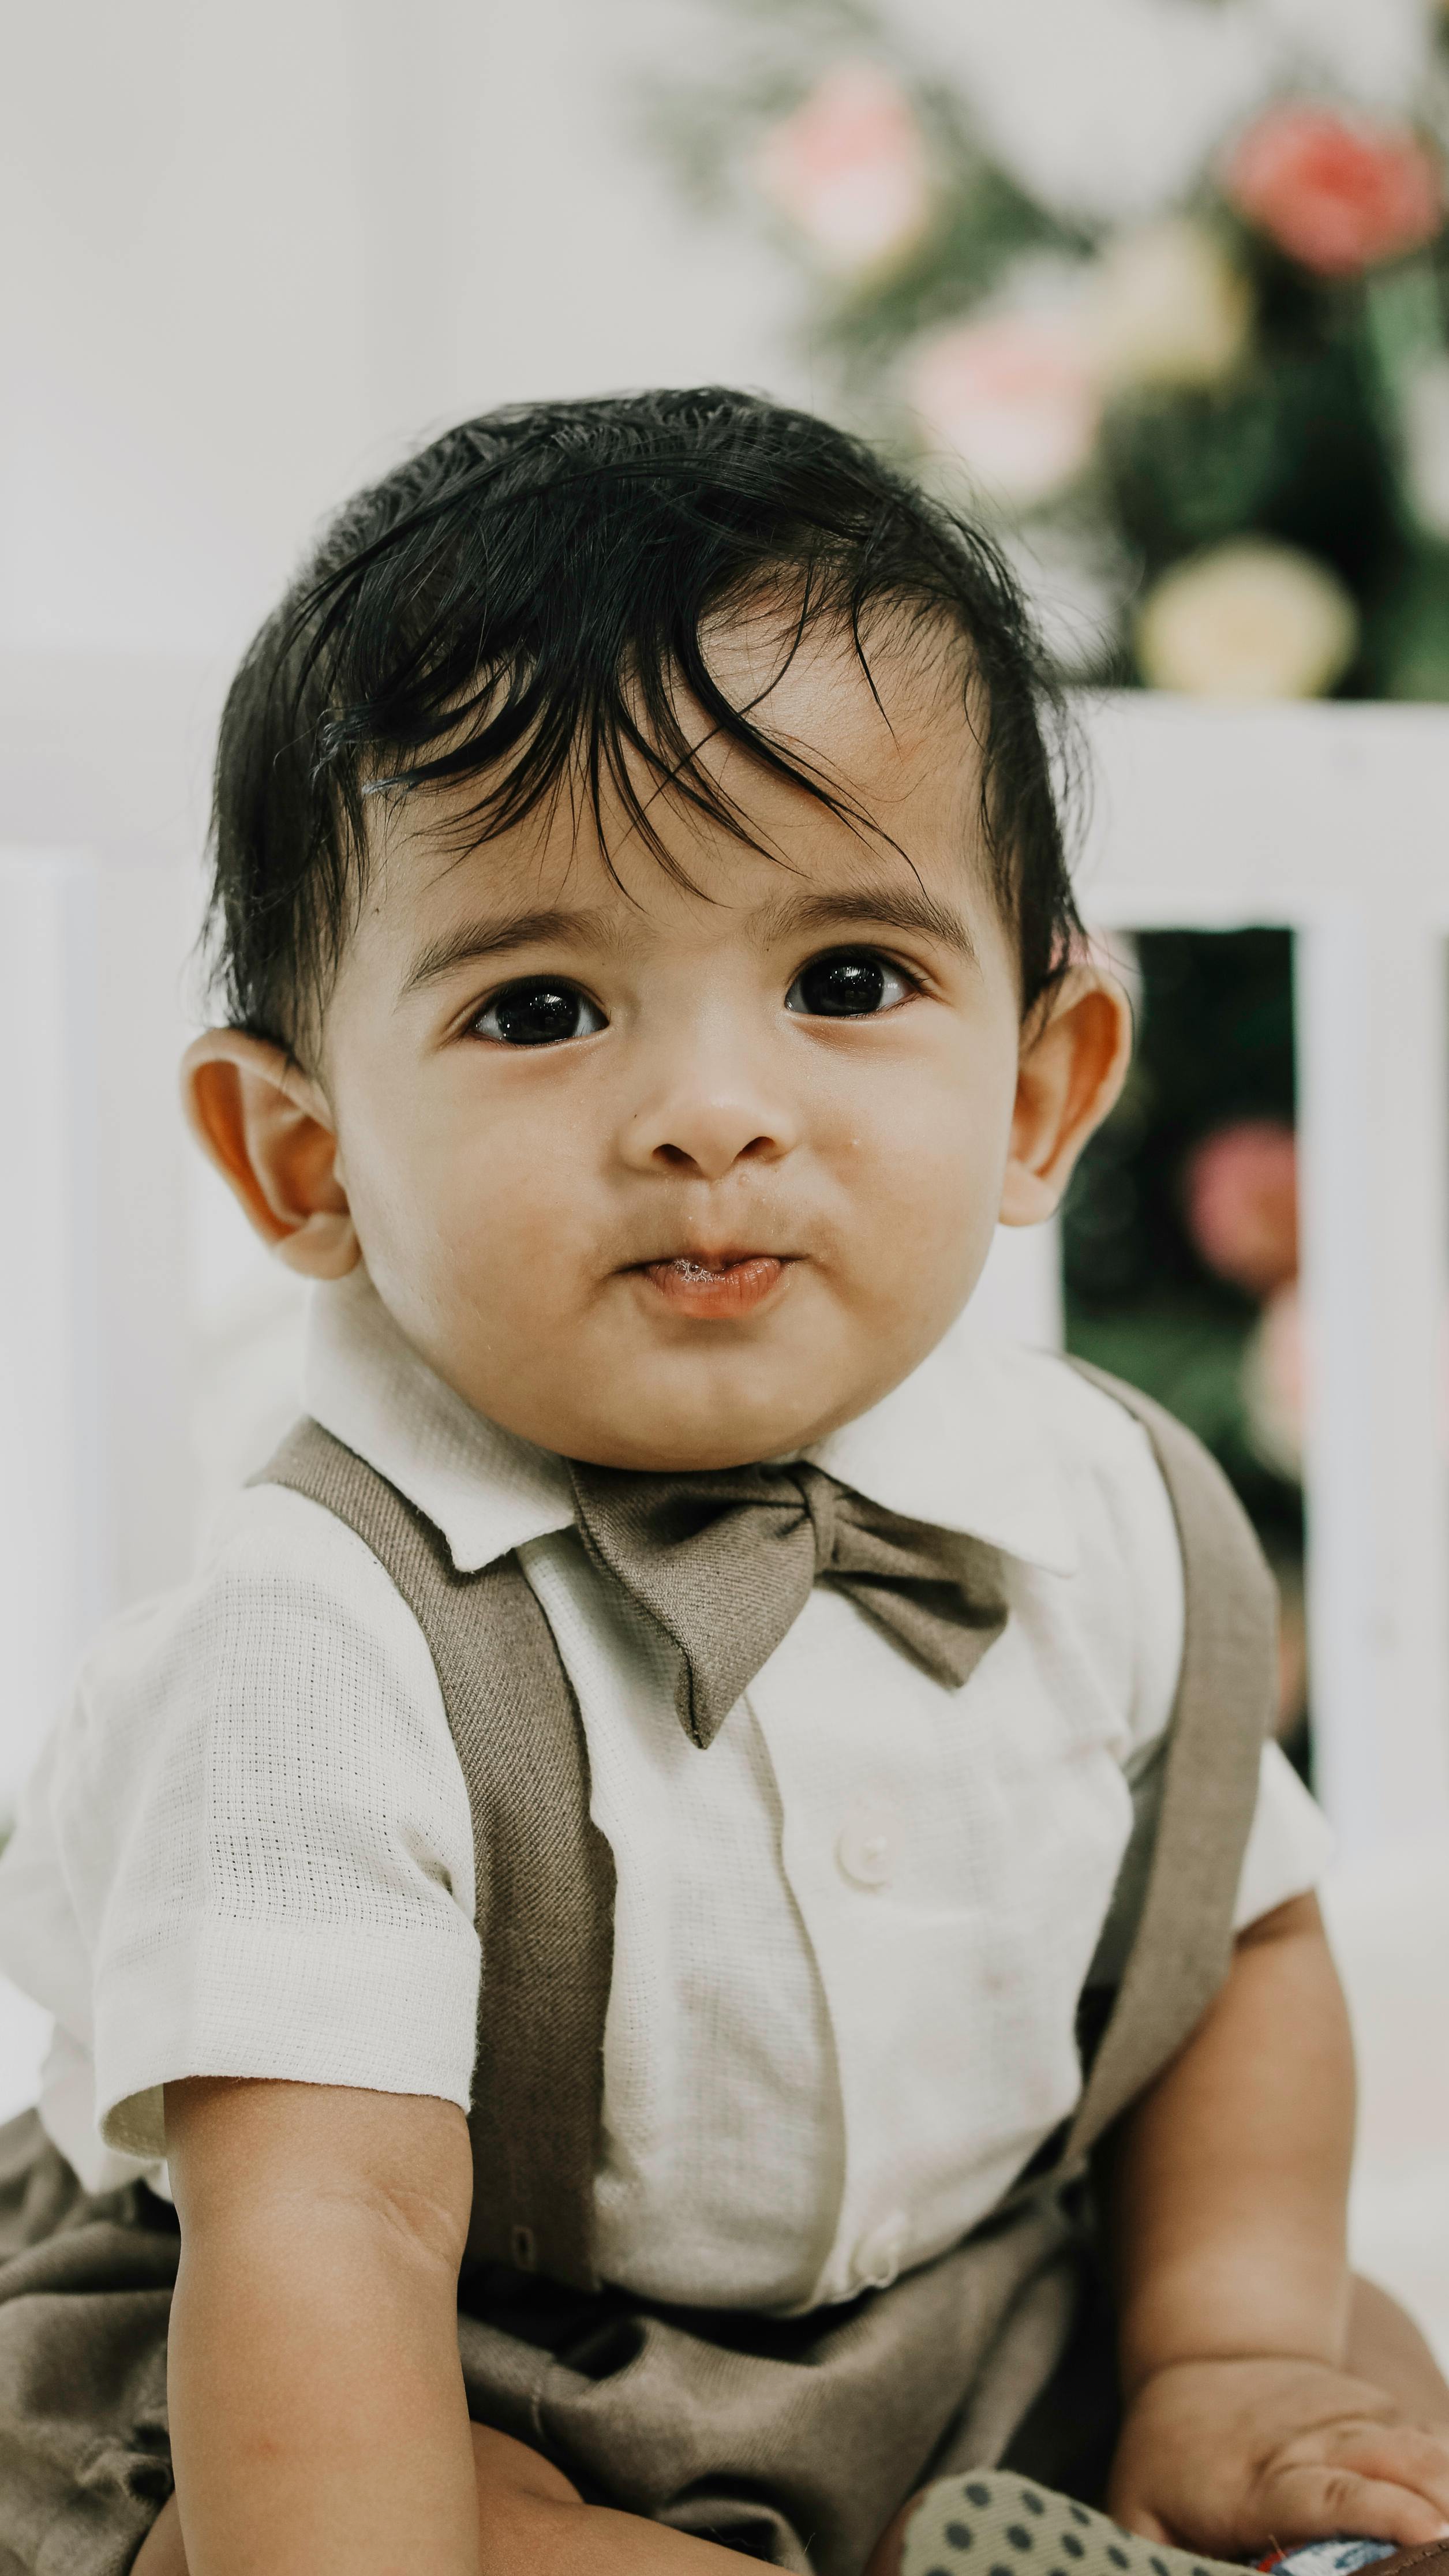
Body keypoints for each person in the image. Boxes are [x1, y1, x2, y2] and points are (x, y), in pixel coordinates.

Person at [1, 390, 1447, 2576]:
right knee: (363, 2498)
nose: (708, 1111)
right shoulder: (322, 1638)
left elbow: (1233, 1949)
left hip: (961, 2305)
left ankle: (1126, 2460)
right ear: (303, 1160)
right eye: (543, 1006)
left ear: (1047, 1088)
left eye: (845, 979)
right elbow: (331, 2221)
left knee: (1367, 2373)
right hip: (441, 2354)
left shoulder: (1111, 1510)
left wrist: (1226, 2348)